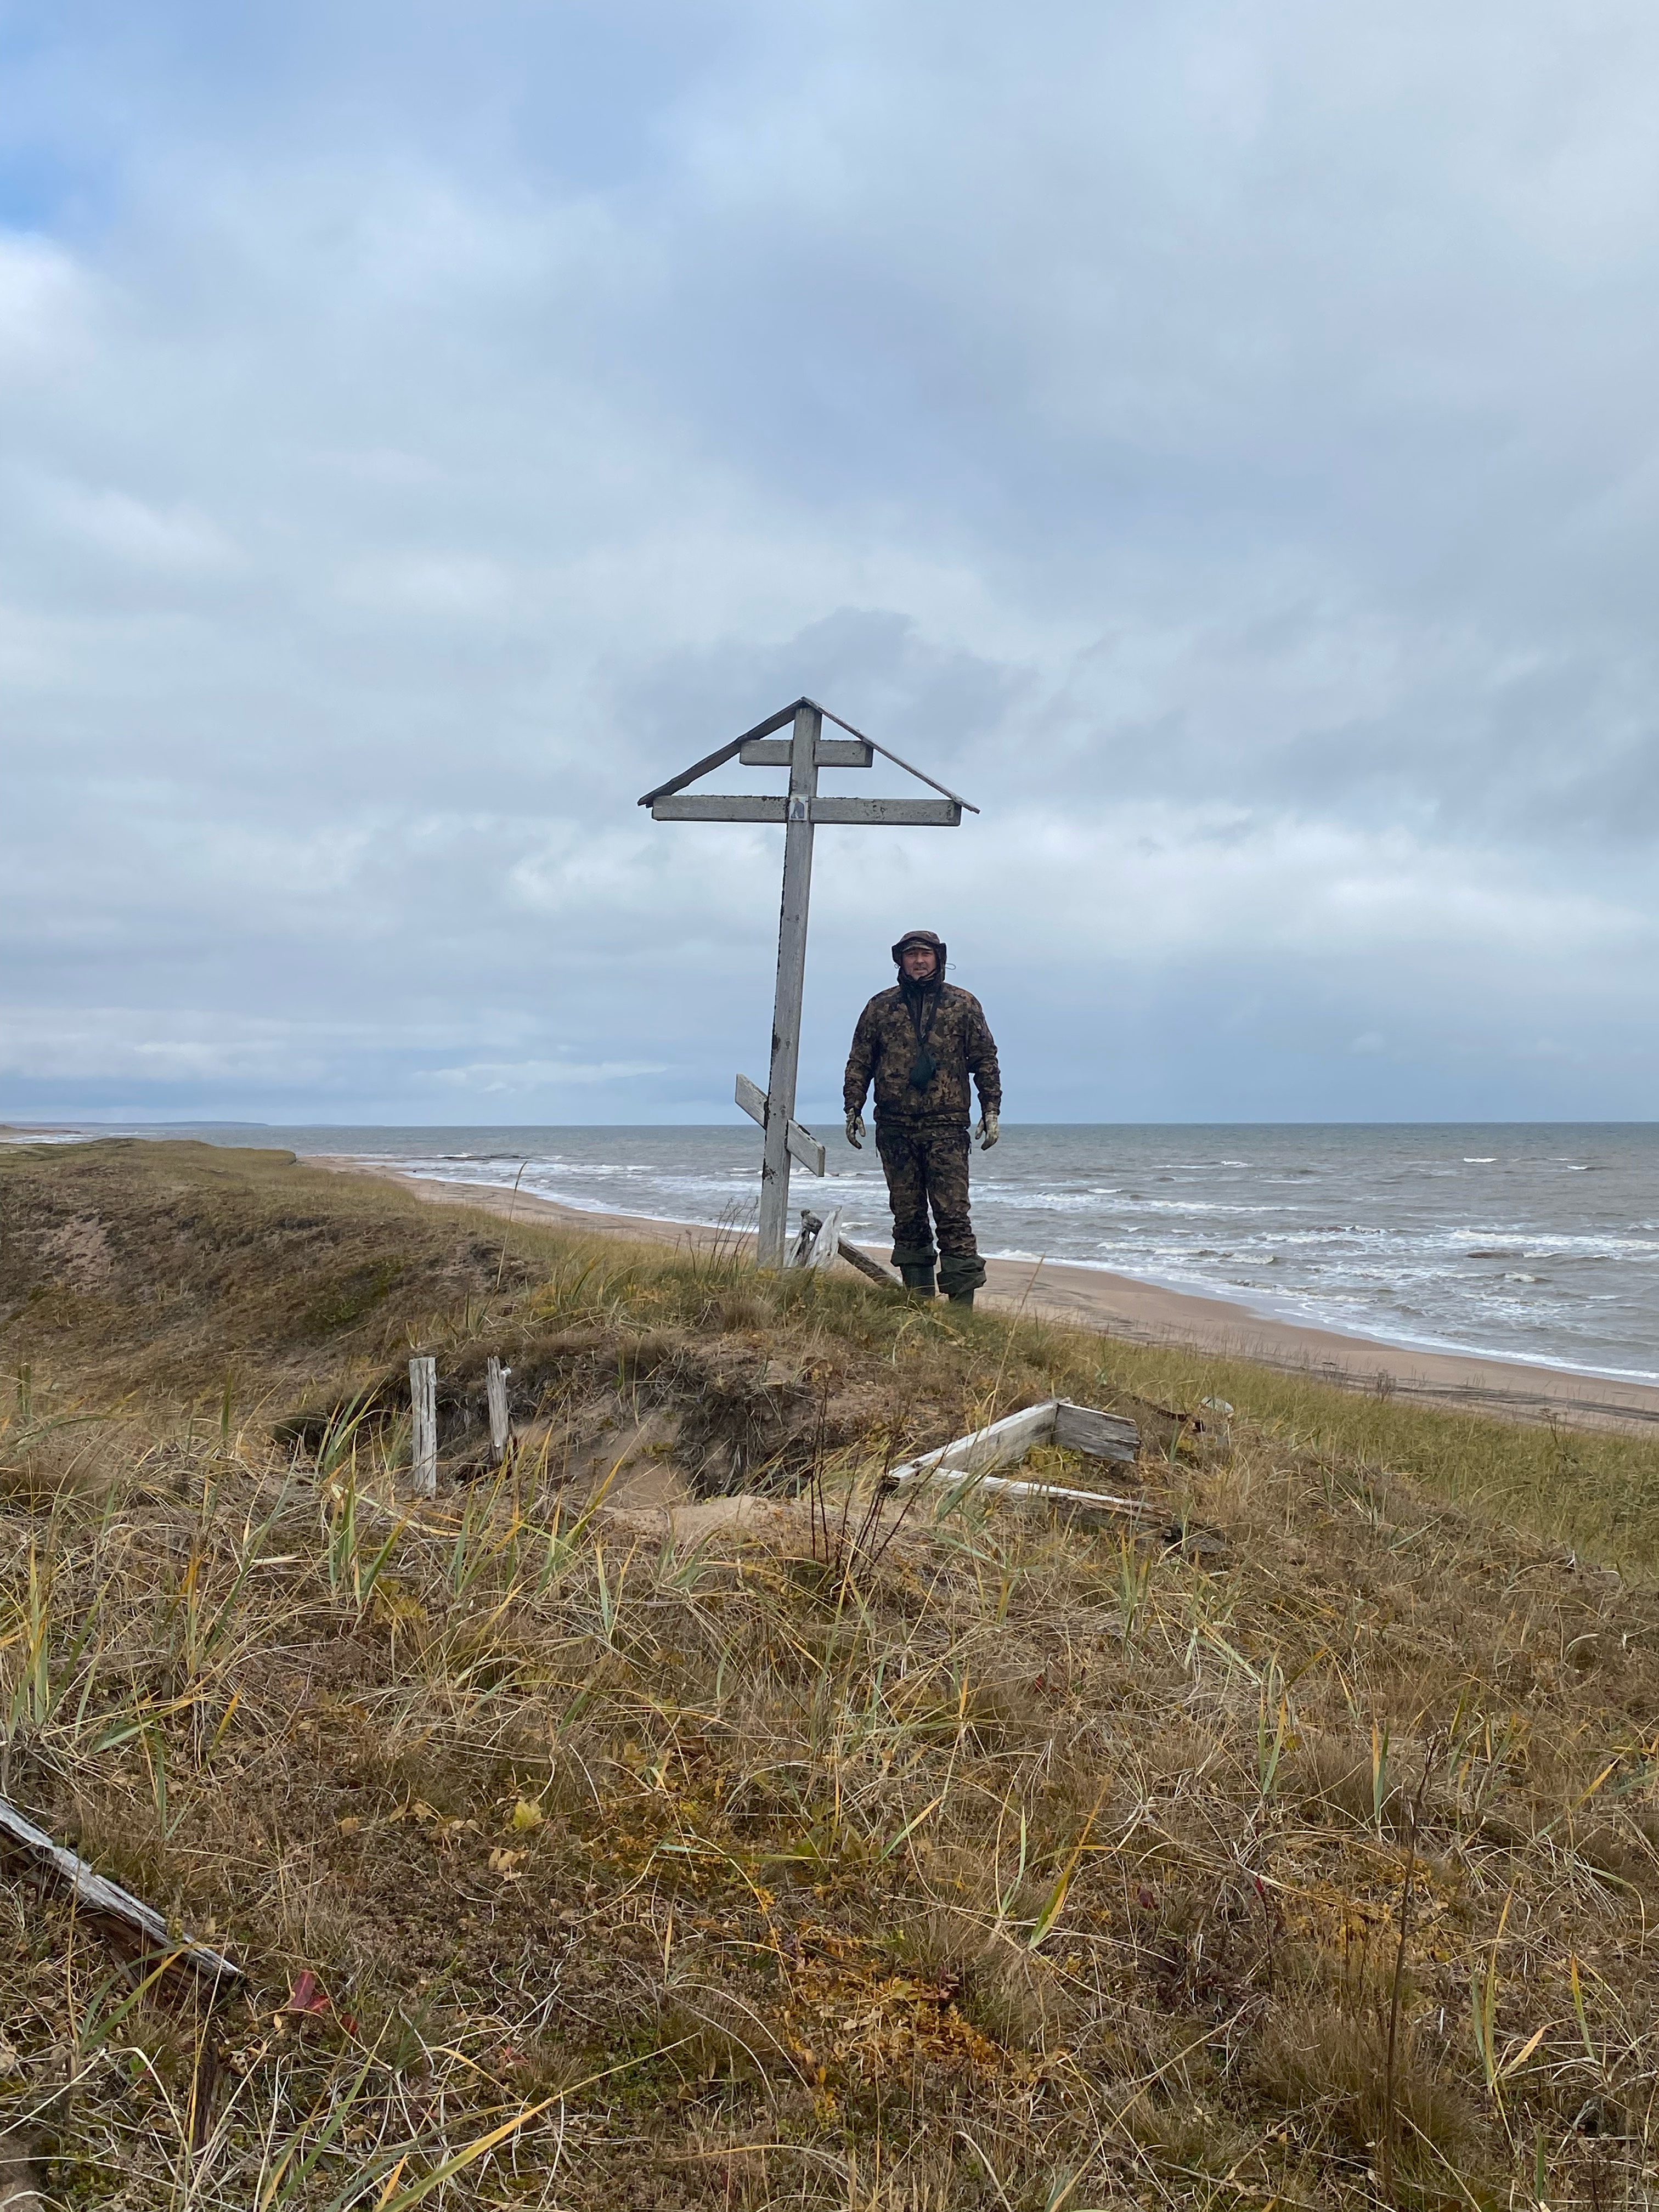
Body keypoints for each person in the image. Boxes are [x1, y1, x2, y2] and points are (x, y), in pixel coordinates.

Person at [842, 929, 1001, 1303]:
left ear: (938, 958)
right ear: (900, 960)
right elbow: (860, 1060)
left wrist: (991, 1108)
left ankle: (962, 1316)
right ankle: (920, 1305)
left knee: (953, 1217)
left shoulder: (963, 1004)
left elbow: (985, 1059)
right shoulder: (880, 1007)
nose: (918, 961)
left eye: (925, 954)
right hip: (895, 1128)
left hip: (946, 1126)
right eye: (911, 954)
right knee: (908, 1217)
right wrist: (853, 1106)